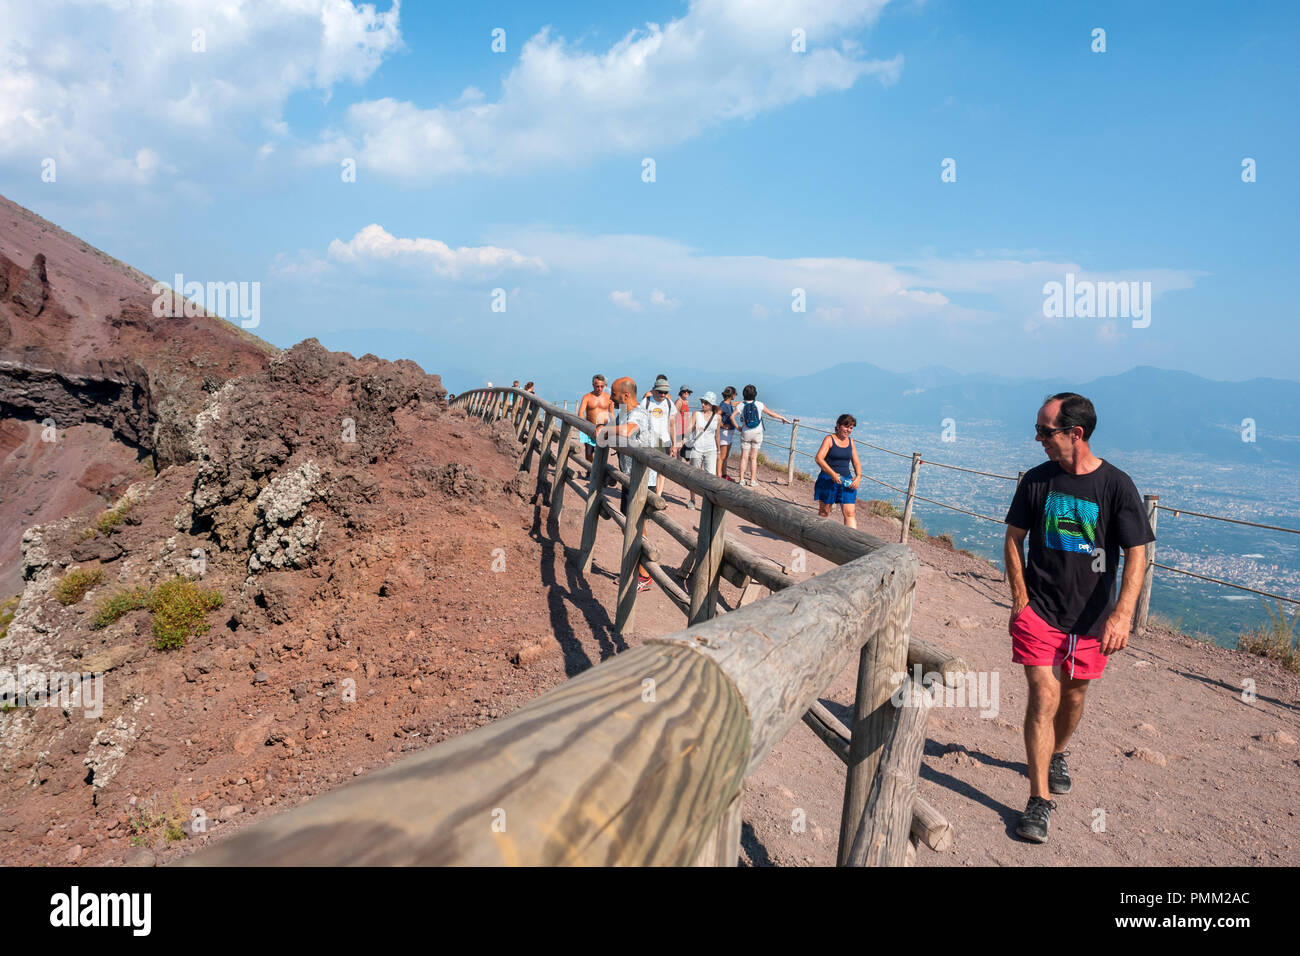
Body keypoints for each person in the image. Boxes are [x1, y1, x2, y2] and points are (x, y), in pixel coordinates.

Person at [1004, 392, 1154, 845]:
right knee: (1044, 694)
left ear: (1076, 434)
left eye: (1044, 432)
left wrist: (1123, 614)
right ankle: (1038, 800)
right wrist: (1020, 600)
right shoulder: (1036, 480)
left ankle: (1057, 754)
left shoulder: (1115, 485)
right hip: (1040, 614)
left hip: (1091, 621)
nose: (1037, 439)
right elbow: (1013, 539)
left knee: (1073, 697)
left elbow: (1137, 553)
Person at [598, 376, 655, 593]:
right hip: (630, 477)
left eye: (613, 395)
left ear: (626, 395)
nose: (610, 400)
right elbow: (608, 432)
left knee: (637, 527)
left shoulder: (638, 414)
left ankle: (644, 574)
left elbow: (624, 432)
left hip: (641, 481)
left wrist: (604, 431)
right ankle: (636, 569)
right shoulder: (625, 414)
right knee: (631, 525)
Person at [728, 384, 791, 487]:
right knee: (753, 458)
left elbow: (731, 417)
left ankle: (742, 480)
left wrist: (738, 427)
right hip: (757, 433)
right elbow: (771, 413)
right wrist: (782, 417)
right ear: (755, 394)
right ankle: (753, 480)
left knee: (744, 457)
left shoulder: (741, 405)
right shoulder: (759, 404)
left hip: (746, 432)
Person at [813, 415, 862, 527]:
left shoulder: (851, 442)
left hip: (846, 481)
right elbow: (819, 458)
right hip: (828, 480)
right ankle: (817, 536)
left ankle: (850, 541)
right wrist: (833, 474)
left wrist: (858, 476)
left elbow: (856, 462)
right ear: (838, 426)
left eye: (851, 428)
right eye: (846, 426)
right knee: (824, 512)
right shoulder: (829, 439)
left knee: (850, 512)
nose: (848, 430)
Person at [682, 391, 722, 510]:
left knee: (710, 477)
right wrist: (691, 431)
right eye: (702, 402)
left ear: (712, 405)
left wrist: (719, 451)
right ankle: (693, 499)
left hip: (711, 449)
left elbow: (717, 435)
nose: (703, 404)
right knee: (694, 474)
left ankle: (708, 501)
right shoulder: (696, 414)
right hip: (696, 447)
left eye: (706, 403)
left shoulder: (717, 418)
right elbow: (689, 428)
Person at [640, 374, 677, 498]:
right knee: (647, 469)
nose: (663, 395)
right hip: (648, 440)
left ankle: (658, 495)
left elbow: (672, 425)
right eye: (660, 392)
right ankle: (645, 493)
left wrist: (674, 444)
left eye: (665, 392)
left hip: (664, 441)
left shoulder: (670, 404)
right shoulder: (646, 402)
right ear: (654, 390)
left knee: (662, 470)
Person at [576, 374, 614, 464]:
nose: (599, 388)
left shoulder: (609, 398)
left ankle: (596, 472)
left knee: (601, 453)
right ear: (593, 385)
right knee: (588, 453)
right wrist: (582, 426)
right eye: (597, 386)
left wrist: (613, 426)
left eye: (602, 386)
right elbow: (581, 412)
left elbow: (611, 413)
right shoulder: (587, 397)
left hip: (604, 428)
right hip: (590, 427)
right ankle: (592, 469)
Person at [716, 386, 739, 481]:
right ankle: (719, 475)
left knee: (725, 456)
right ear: (732, 395)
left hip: (728, 433)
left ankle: (724, 474)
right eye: (735, 394)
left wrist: (739, 403)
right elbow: (717, 415)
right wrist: (722, 425)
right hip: (724, 433)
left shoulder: (727, 403)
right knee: (722, 456)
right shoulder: (724, 405)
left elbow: (730, 404)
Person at [673, 386, 693, 459]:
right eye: (685, 391)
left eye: (688, 392)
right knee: (678, 449)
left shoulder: (686, 402)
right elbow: (674, 415)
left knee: (682, 448)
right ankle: (677, 465)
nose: (686, 393)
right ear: (681, 392)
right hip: (679, 428)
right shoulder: (679, 401)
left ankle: (679, 463)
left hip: (685, 428)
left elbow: (686, 415)